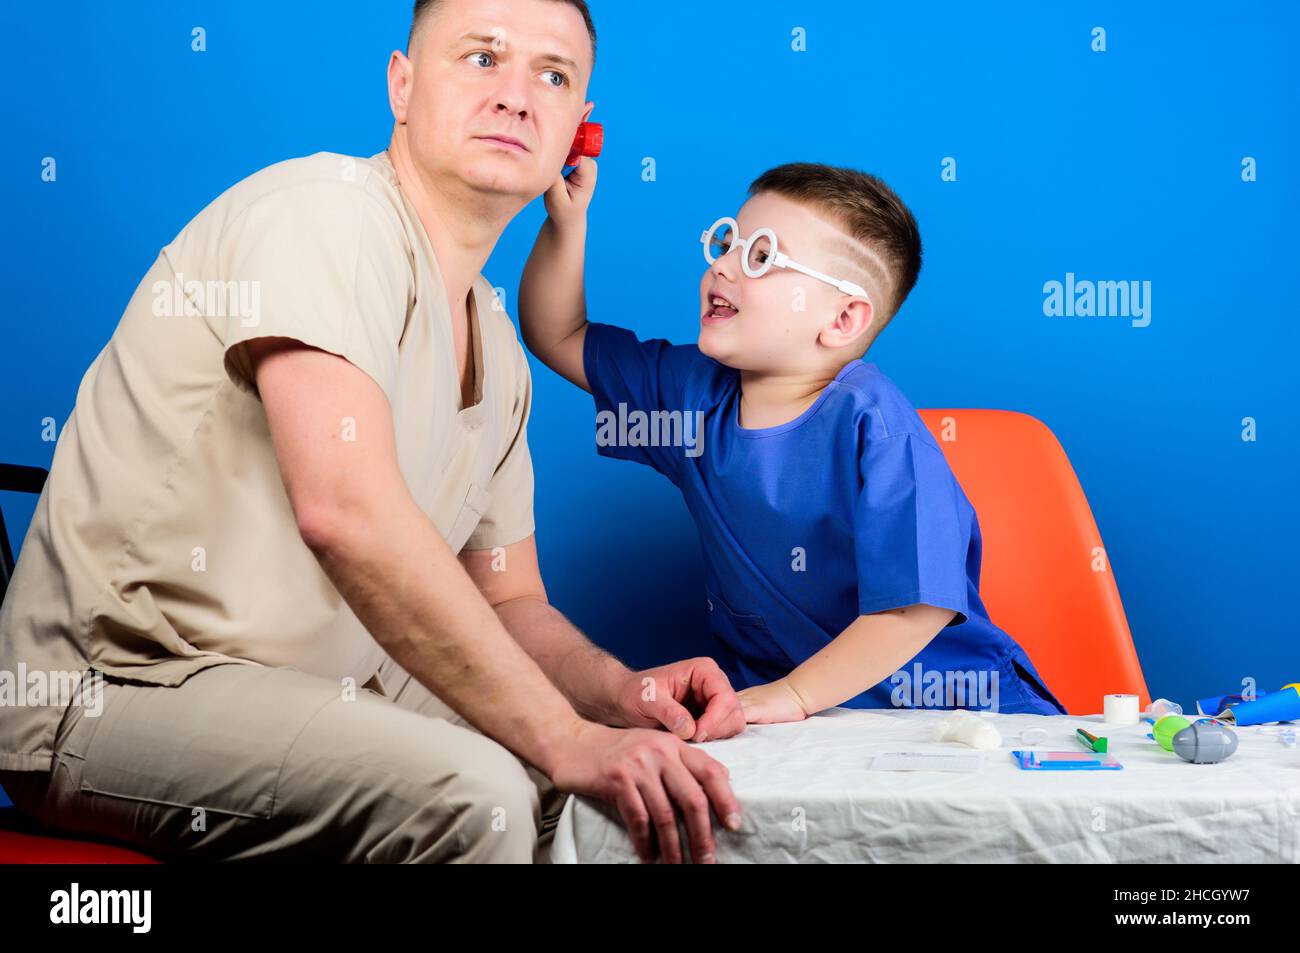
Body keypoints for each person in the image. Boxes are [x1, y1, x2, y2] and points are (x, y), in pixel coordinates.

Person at [0, 0, 746, 866]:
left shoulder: (496, 346)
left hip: (322, 693)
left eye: (553, 76)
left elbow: (510, 603)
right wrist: (562, 736)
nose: (515, 97)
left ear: (579, 131)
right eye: (480, 57)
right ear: (401, 84)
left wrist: (622, 693)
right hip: (123, 685)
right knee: (481, 796)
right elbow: (344, 511)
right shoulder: (326, 213)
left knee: (601, 798)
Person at [517, 158, 1068, 723]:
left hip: (955, 715)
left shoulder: (879, 429)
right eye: (728, 242)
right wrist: (567, 222)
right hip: (795, 725)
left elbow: (915, 610)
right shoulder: (690, 394)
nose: (724, 267)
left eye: (761, 257)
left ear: (843, 319)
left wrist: (797, 695)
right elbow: (557, 333)